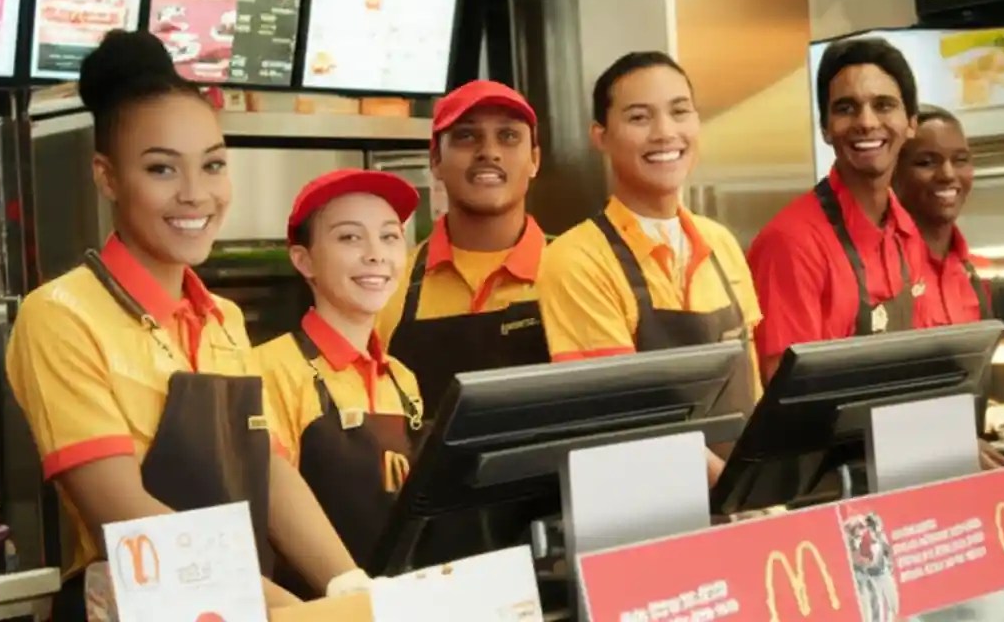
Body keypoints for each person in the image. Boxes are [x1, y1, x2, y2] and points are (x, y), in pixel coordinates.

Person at [4, 31, 366, 619]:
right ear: (107, 177)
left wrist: (349, 584)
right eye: (161, 170)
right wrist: (286, 612)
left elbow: (268, 470)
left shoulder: (223, 319)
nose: (195, 195)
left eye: (214, 165)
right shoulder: (61, 315)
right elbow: (121, 513)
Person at [536, 51, 762, 479]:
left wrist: (769, 486)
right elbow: (624, 414)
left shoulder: (722, 243)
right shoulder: (576, 259)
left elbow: (752, 389)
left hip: (740, 505)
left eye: (680, 112)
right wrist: (740, 493)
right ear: (600, 136)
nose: (666, 133)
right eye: (640, 118)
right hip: (647, 511)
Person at [257, 169, 424, 592]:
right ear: (304, 260)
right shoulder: (267, 368)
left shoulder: (403, 380)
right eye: (350, 237)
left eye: (389, 236)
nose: (375, 254)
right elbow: (269, 504)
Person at [747, 37, 927, 382]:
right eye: (846, 108)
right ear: (826, 129)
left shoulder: (906, 230)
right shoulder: (791, 243)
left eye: (884, 105)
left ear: (911, 122)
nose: (866, 122)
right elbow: (787, 396)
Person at [377, 80, 548, 416]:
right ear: (436, 159)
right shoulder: (386, 287)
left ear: (534, 160)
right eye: (466, 136)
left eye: (509, 136)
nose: (489, 151)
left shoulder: (581, 273)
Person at [893, 106, 1004, 403]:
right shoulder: (880, 280)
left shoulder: (982, 282)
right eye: (926, 162)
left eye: (960, 160)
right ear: (892, 174)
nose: (948, 174)